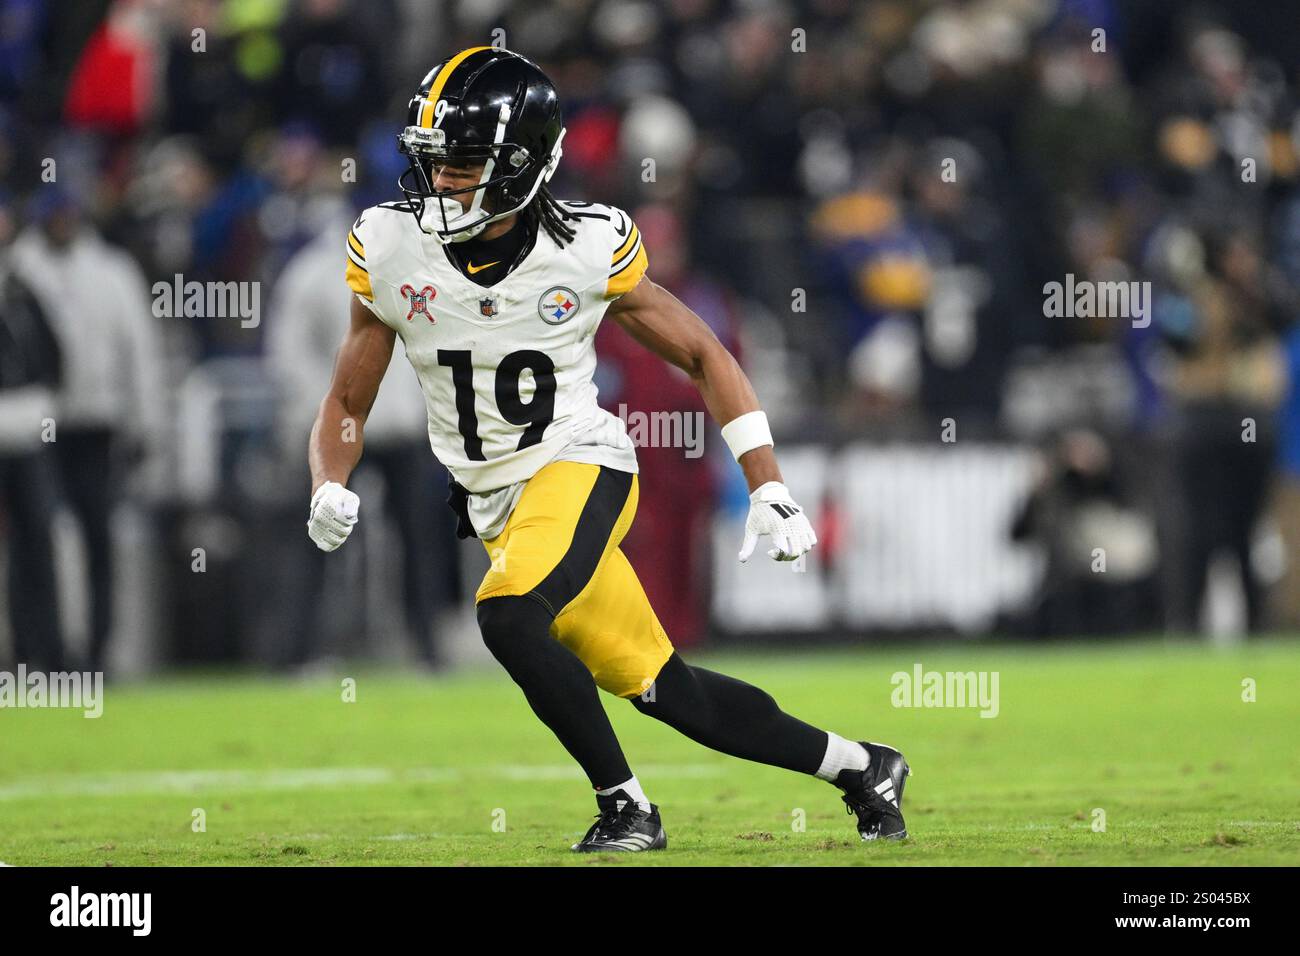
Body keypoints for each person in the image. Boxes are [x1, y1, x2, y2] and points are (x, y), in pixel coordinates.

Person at [305, 48, 910, 852]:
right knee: (669, 691)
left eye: (462, 163)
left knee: (510, 613)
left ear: (521, 167)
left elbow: (705, 353)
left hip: (580, 464)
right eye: (433, 161)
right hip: (494, 503)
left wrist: (767, 484)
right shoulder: (389, 245)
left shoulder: (585, 248)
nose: (439, 181)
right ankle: (862, 767)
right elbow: (349, 395)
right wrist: (329, 480)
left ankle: (627, 807)